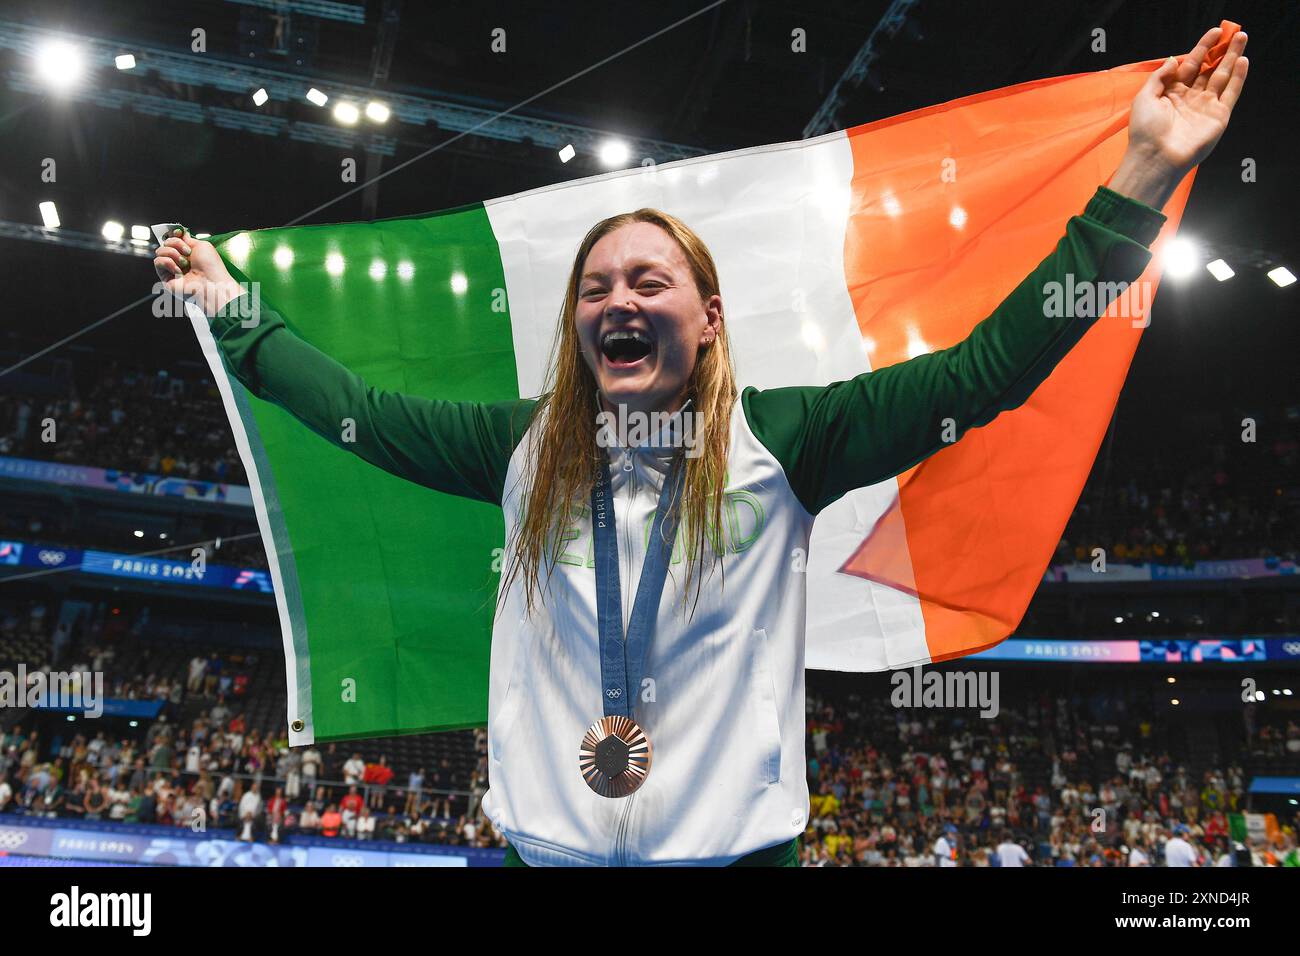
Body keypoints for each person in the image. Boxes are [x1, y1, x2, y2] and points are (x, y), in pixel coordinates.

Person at [153, 27, 1249, 867]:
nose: (616, 300)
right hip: (546, 848)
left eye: (646, 280)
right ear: (576, 324)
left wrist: (1142, 177)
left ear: (708, 317)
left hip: (739, 855)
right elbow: (360, 411)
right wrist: (236, 310)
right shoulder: (525, 445)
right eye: (594, 287)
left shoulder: (789, 436)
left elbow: (984, 373)